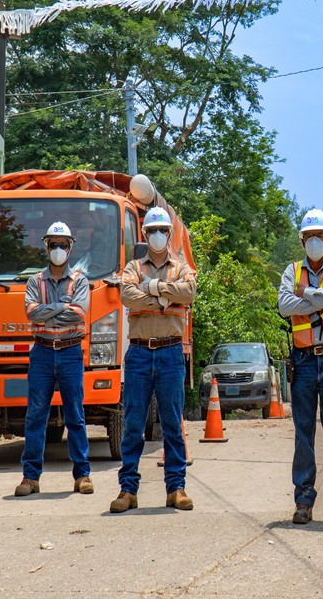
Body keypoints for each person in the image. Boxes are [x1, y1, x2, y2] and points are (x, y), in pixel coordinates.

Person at [110, 206, 196, 513]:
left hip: (171, 352)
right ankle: (128, 490)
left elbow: (189, 293)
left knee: (172, 423)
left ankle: (176, 488)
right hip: (139, 353)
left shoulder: (181, 266)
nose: (157, 235)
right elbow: (127, 295)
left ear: (169, 235)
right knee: (133, 424)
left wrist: (155, 288)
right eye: (152, 231)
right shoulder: (134, 266)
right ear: (145, 235)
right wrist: (163, 297)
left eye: (162, 231)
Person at [277, 209, 323, 526]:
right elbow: (284, 305)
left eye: (320, 236)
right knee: (303, 434)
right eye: (310, 237)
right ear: (303, 240)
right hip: (304, 361)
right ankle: (303, 501)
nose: (315, 242)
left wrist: (306, 294)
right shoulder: (291, 271)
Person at [15, 221, 92, 497]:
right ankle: (30, 477)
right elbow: (31, 313)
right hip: (43, 352)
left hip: (71, 352)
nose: (58, 249)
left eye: (63, 245)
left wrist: (49, 311)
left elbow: (79, 313)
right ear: (46, 247)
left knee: (75, 415)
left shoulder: (80, 280)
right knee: (35, 415)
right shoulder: (35, 280)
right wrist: (62, 307)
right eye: (54, 244)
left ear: (70, 248)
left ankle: (82, 475)